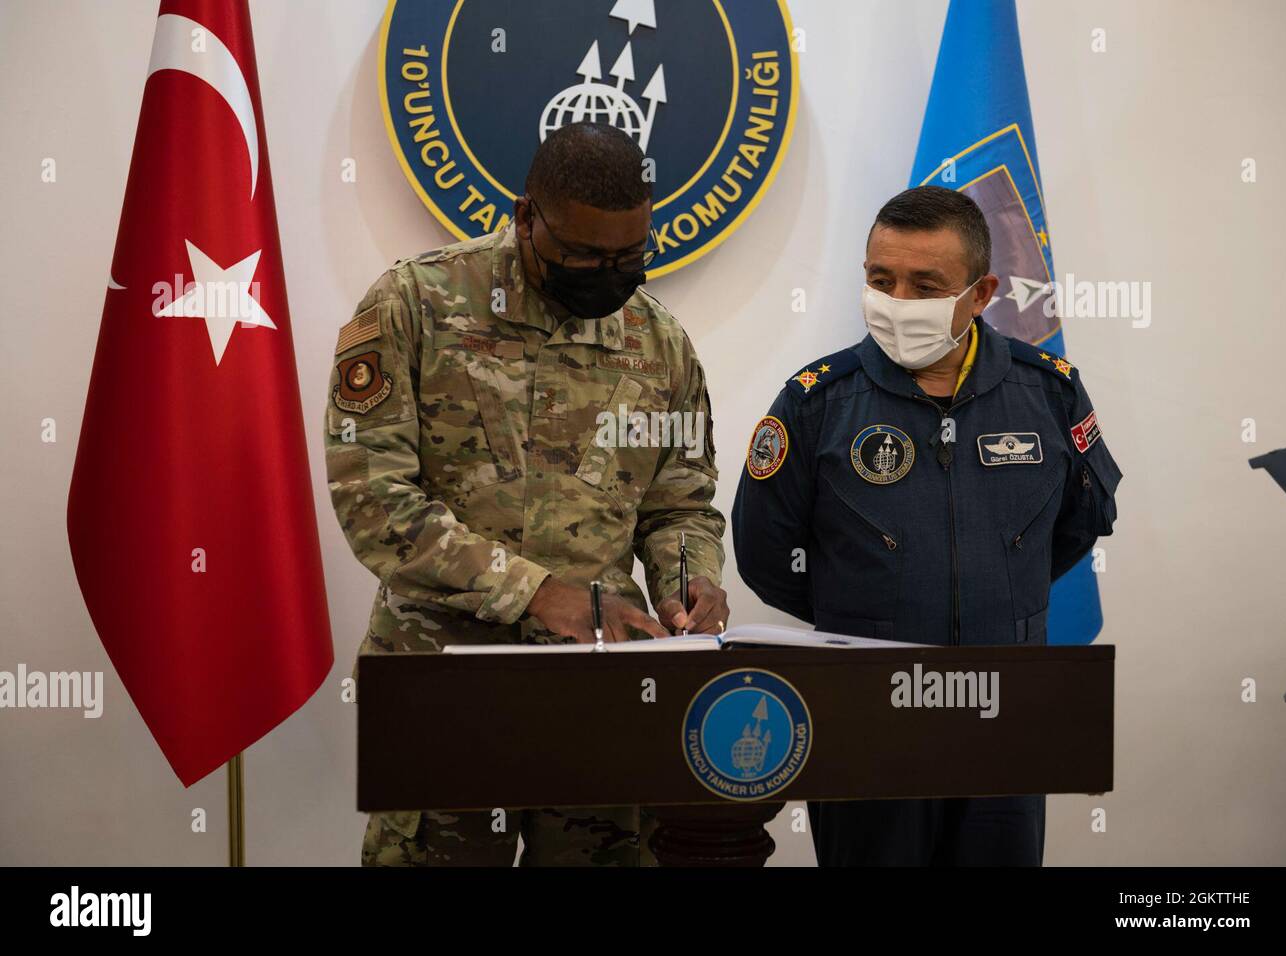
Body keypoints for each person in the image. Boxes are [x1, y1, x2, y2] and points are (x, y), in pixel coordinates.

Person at [325, 122, 729, 866]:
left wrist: (689, 581)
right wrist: (538, 592)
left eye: (629, 256)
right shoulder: (416, 304)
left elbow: (680, 503)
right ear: (524, 217)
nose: (607, 272)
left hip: (599, 697)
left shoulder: (660, 343)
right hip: (443, 684)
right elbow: (374, 502)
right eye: (582, 254)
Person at [731, 185, 1121, 866]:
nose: (899, 301)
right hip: (866, 723)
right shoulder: (816, 401)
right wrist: (868, 614)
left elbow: (1075, 530)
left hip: (1005, 718)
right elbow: (766, 556)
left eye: (925, 284)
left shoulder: (1050, 392)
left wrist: (992, 590)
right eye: (882, 280)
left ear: (980, 293)